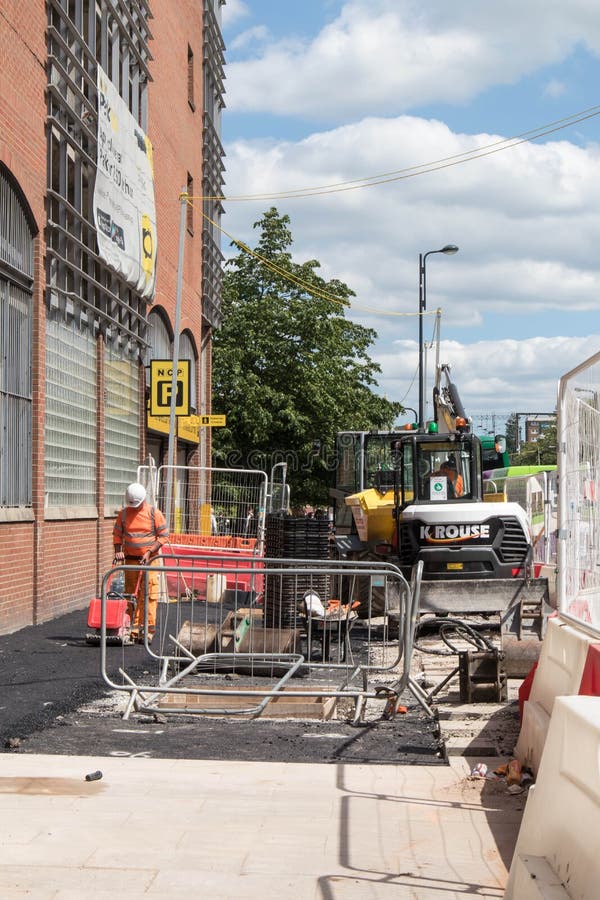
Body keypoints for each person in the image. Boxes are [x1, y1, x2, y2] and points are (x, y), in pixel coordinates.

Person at [113, 483, 169, 641]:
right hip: (131, 561)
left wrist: (149, 552)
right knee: (131, 594)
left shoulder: (153, 513)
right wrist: (118, 550)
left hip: (149, 561)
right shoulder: (124, 514)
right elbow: (117, 534)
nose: (134, 507)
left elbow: (164, 536)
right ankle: (132, 628)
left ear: (143, 499)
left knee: (149, 594)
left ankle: (148, 629)